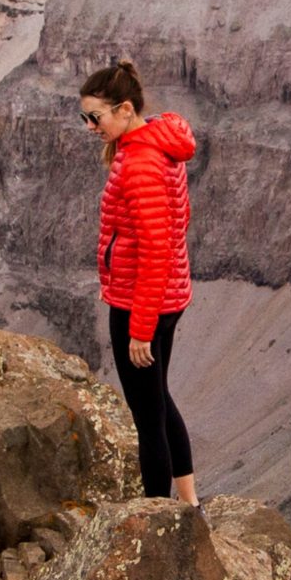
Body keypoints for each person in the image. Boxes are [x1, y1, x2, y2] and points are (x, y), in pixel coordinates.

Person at [79, 57, 198, 506]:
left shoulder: (140, 162)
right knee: (160, 401)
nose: (90, 127)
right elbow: (171, 227)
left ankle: (158, 521)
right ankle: (189, 505)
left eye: (96, 117)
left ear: (125, 109)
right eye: (85, 118)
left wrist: (140, 328)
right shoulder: (158, 143)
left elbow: (154, 247)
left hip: (141, 303)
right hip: (167, 296)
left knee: (148, 420)